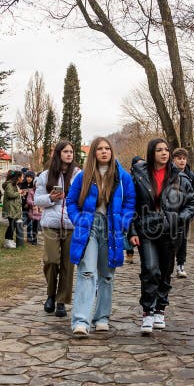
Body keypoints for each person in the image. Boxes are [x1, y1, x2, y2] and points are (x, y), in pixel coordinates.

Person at [66, 137, 135, 336]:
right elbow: (71, 201)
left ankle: (102, 317)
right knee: (87, 272)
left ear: (112, 152)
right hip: (89, 226)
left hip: (112, 227)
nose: (104, 152)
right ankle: (81, 321)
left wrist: (123, 222)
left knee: (107, 275)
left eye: (107, 148)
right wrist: (78, 219)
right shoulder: (84, 176)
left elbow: (130, 202)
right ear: (94, 153)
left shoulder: (123, 177)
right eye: (100, 149)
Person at [128, 138, 194, 333]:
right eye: (159, 150)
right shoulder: (139, 175)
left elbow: (193, 204)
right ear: (152, 153)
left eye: (166, 149)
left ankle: (160, 309)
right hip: (146, 230)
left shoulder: (180, 178)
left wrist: (178, 219)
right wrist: (132, 230)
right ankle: (147, 312)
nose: (164, 153)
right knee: (150, 270)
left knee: (165, 273)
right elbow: (131, 204)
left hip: (170, 232)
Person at [35, 141, 80, 317]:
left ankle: (61, 301)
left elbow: (84, 198)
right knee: (51, 260)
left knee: (68, 264)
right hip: (51, 224)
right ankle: (51, 295)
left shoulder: (78, 175)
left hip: (71, 225)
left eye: (71, 152)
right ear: (59, 154)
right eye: (66, 151)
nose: (69, 154)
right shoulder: (46, 175)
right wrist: (51, 198)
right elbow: (37, 199)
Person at [172, 148, 194, 278]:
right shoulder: (168, 173)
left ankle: (180, 265)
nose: (182, 161)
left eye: (184, 158)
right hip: (169, 213)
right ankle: (166, 265)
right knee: (168, 240)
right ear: (174, 159)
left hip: (184, 214)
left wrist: (192, 213)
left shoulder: (192, 176)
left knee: (182, 240)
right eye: (179, 158)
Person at [125, 156, 145, 265]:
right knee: (130, 230)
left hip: (143, 210)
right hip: (132, 208)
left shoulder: (147, 177)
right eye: (138, 163)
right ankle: (129, 252)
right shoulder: (129, 178)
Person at [2, 170, 24, 249]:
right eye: (22, 177)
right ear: (18, 177)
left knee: (13, 225)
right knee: (11, 225)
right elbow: (10, 195)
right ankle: (7, 242)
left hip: (14, 208)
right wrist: (19, 192)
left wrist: (20, 193)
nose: (23, 178)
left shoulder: (14, 185)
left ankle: (10, 240)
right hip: (10, 208)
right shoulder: (9, 184)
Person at [20, 171, 38, 244]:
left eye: (30, 177)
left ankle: (29, 237)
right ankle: (20, 236)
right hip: (23, 205)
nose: (29, 178)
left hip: (31, 207)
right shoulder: (22, 184)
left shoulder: (34, 186)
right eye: (27, 177)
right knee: (23, 221)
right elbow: (21, 194)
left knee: (30, 223)